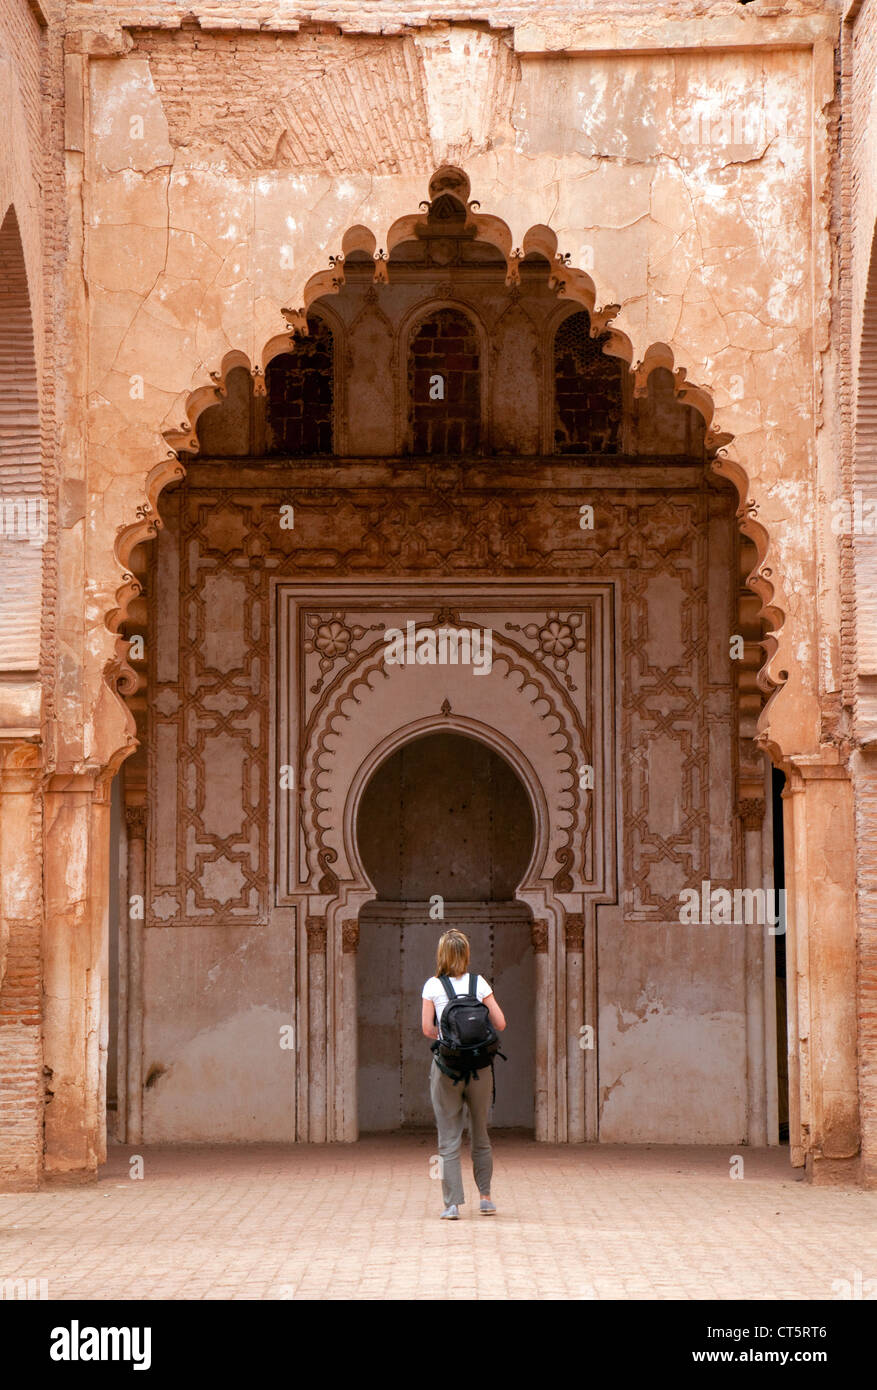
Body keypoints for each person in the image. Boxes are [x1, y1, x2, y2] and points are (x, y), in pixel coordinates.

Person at [421, 928, 507, 1220]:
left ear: (441, 954)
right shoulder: (479, 983)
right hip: (480, 1068)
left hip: (448, 1069)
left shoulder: (432, 986)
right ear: (466, 954)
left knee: (449, 1138)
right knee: (480, 1133)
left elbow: (426, 1030)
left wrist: (450, 1035)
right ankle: (485, 1197)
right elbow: (501, 1023)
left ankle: (453, 1204)